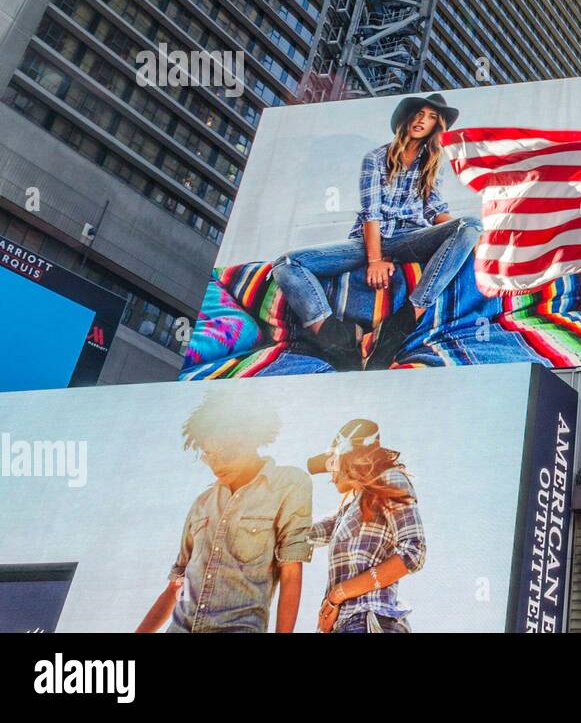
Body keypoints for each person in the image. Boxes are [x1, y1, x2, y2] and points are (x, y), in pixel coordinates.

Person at [271, 94, 483, 371]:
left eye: (431, 117)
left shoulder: (432, 163)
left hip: (411, 239)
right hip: (368, 240)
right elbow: (371, 213)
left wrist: (474, 238)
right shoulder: (376, 158)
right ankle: (335, 335)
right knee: (286, 263)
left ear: (436, 126)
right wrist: (374, 259)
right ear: (407, 118)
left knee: (471, 224)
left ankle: (404, 321)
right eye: (419, 113)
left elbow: (434, 210)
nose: (423, 120)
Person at [136, 394, 311, 633]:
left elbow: (291, 571)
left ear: (252, 440)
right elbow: (176, 585)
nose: (217, 465)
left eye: (227, 454)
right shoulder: (202, 504)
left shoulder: (289, 484)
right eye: (209, 455)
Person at [308, 419, 426, 633]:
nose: (331, 477)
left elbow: (413, 552)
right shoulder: (349, 511)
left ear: (348, 457)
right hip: (344, 625)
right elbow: (303, 534)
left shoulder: (389, 480)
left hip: (367, 620)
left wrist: (338, 594)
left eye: (332, 464)